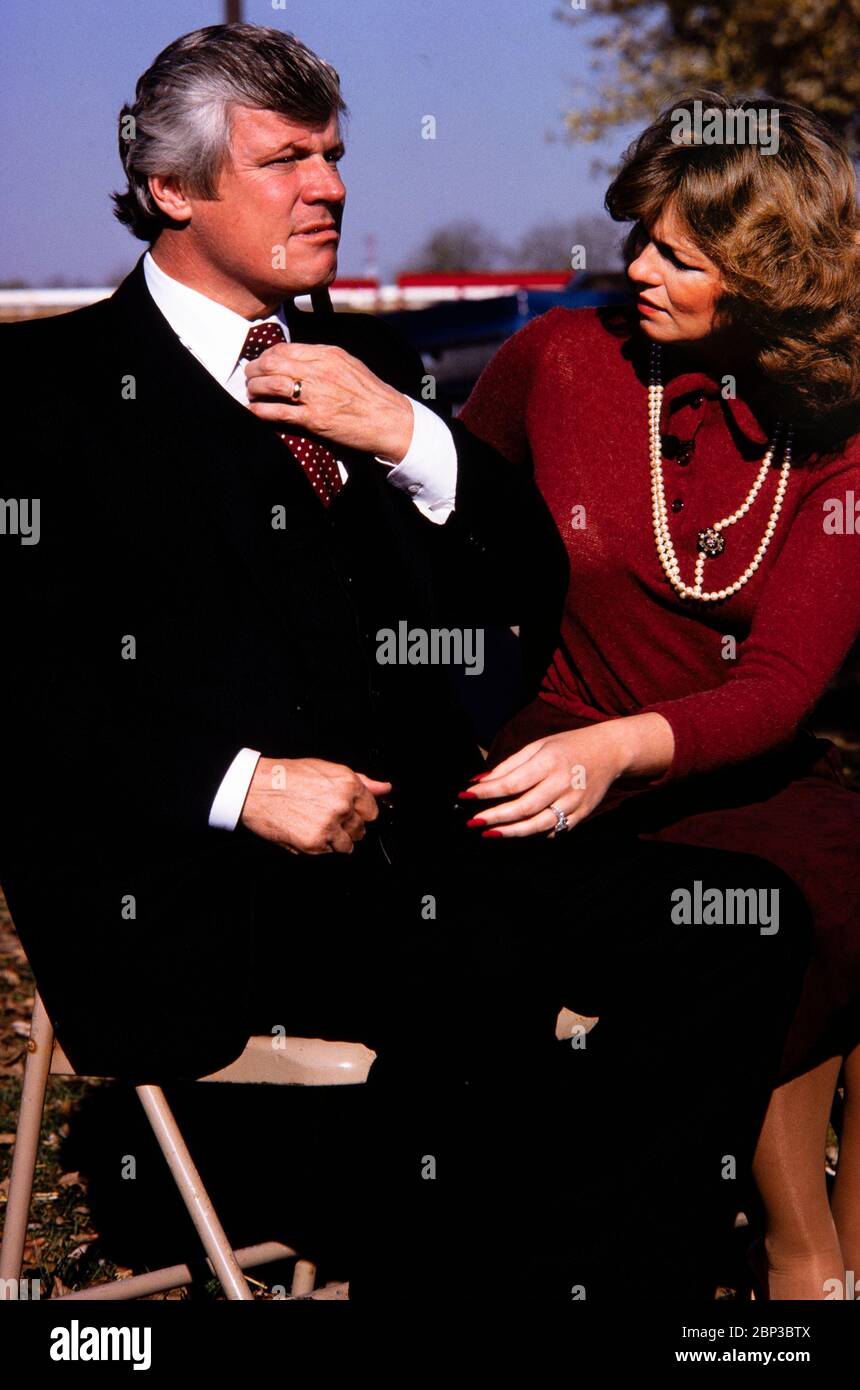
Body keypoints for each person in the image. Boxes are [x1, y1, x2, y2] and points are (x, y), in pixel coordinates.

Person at [0, 31, 811, 1301]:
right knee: (481, 970)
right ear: (172, 190)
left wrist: (411, 441)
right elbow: (23, 687)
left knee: (746, 925)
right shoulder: (38, 396)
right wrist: (240, 781)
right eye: (284, 161)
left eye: (334, 155)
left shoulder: (369, 369)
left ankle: (565, 1267)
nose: (327, 185)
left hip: (425, 849)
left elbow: (512, 601)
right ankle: (515, 1258)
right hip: (194, 875)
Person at [453, 92, 860, 1300]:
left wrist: (630, 746)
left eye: (676, 256)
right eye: (635, 235)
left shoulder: (836, 433)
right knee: (773, 912)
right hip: (561, 756)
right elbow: (454, 543)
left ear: (772, 274)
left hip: (729, 758)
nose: (630, 267)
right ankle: (801, 1257)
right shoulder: (558, 360)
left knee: (836, 874)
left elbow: (784, 682)